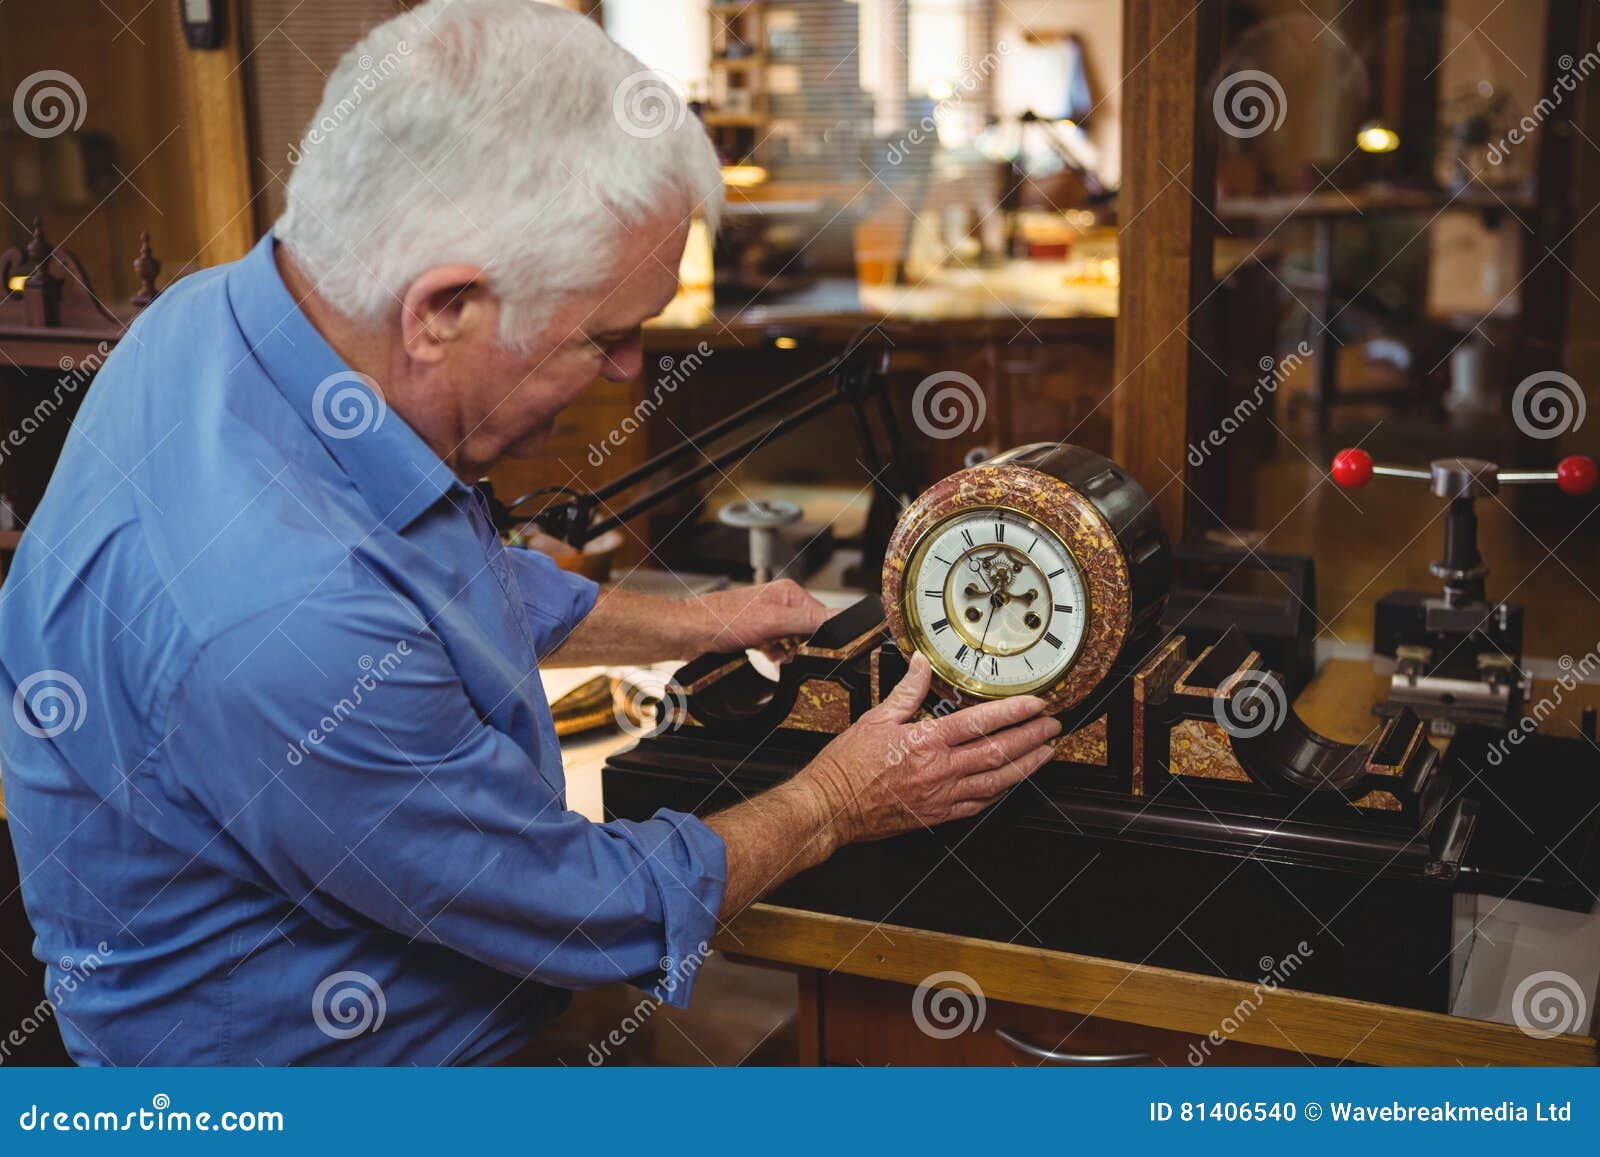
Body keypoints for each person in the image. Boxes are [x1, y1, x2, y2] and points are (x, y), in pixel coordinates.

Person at [0, 0, 1057, 1064]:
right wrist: (838, 798)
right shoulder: (284, 624)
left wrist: (702, 620)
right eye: (609, 337)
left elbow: (436, 576)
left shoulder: (225, 317)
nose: (634, 372)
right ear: (442, 309)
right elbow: (582, 907)